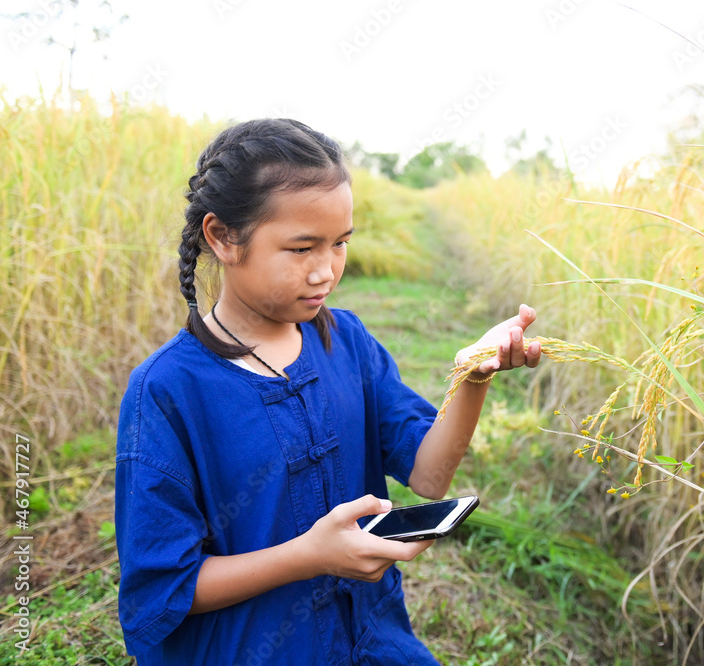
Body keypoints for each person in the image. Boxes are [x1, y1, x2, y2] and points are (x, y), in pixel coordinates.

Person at [114, 118, 542, 665]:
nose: (327, 272)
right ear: (222, 237)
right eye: (301, 248)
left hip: (372, 638)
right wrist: (309, 556)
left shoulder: (348, 342)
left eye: (340, 244)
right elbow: (162, 591)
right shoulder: (168, 391)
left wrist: (472, 377)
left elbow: (430, 475)